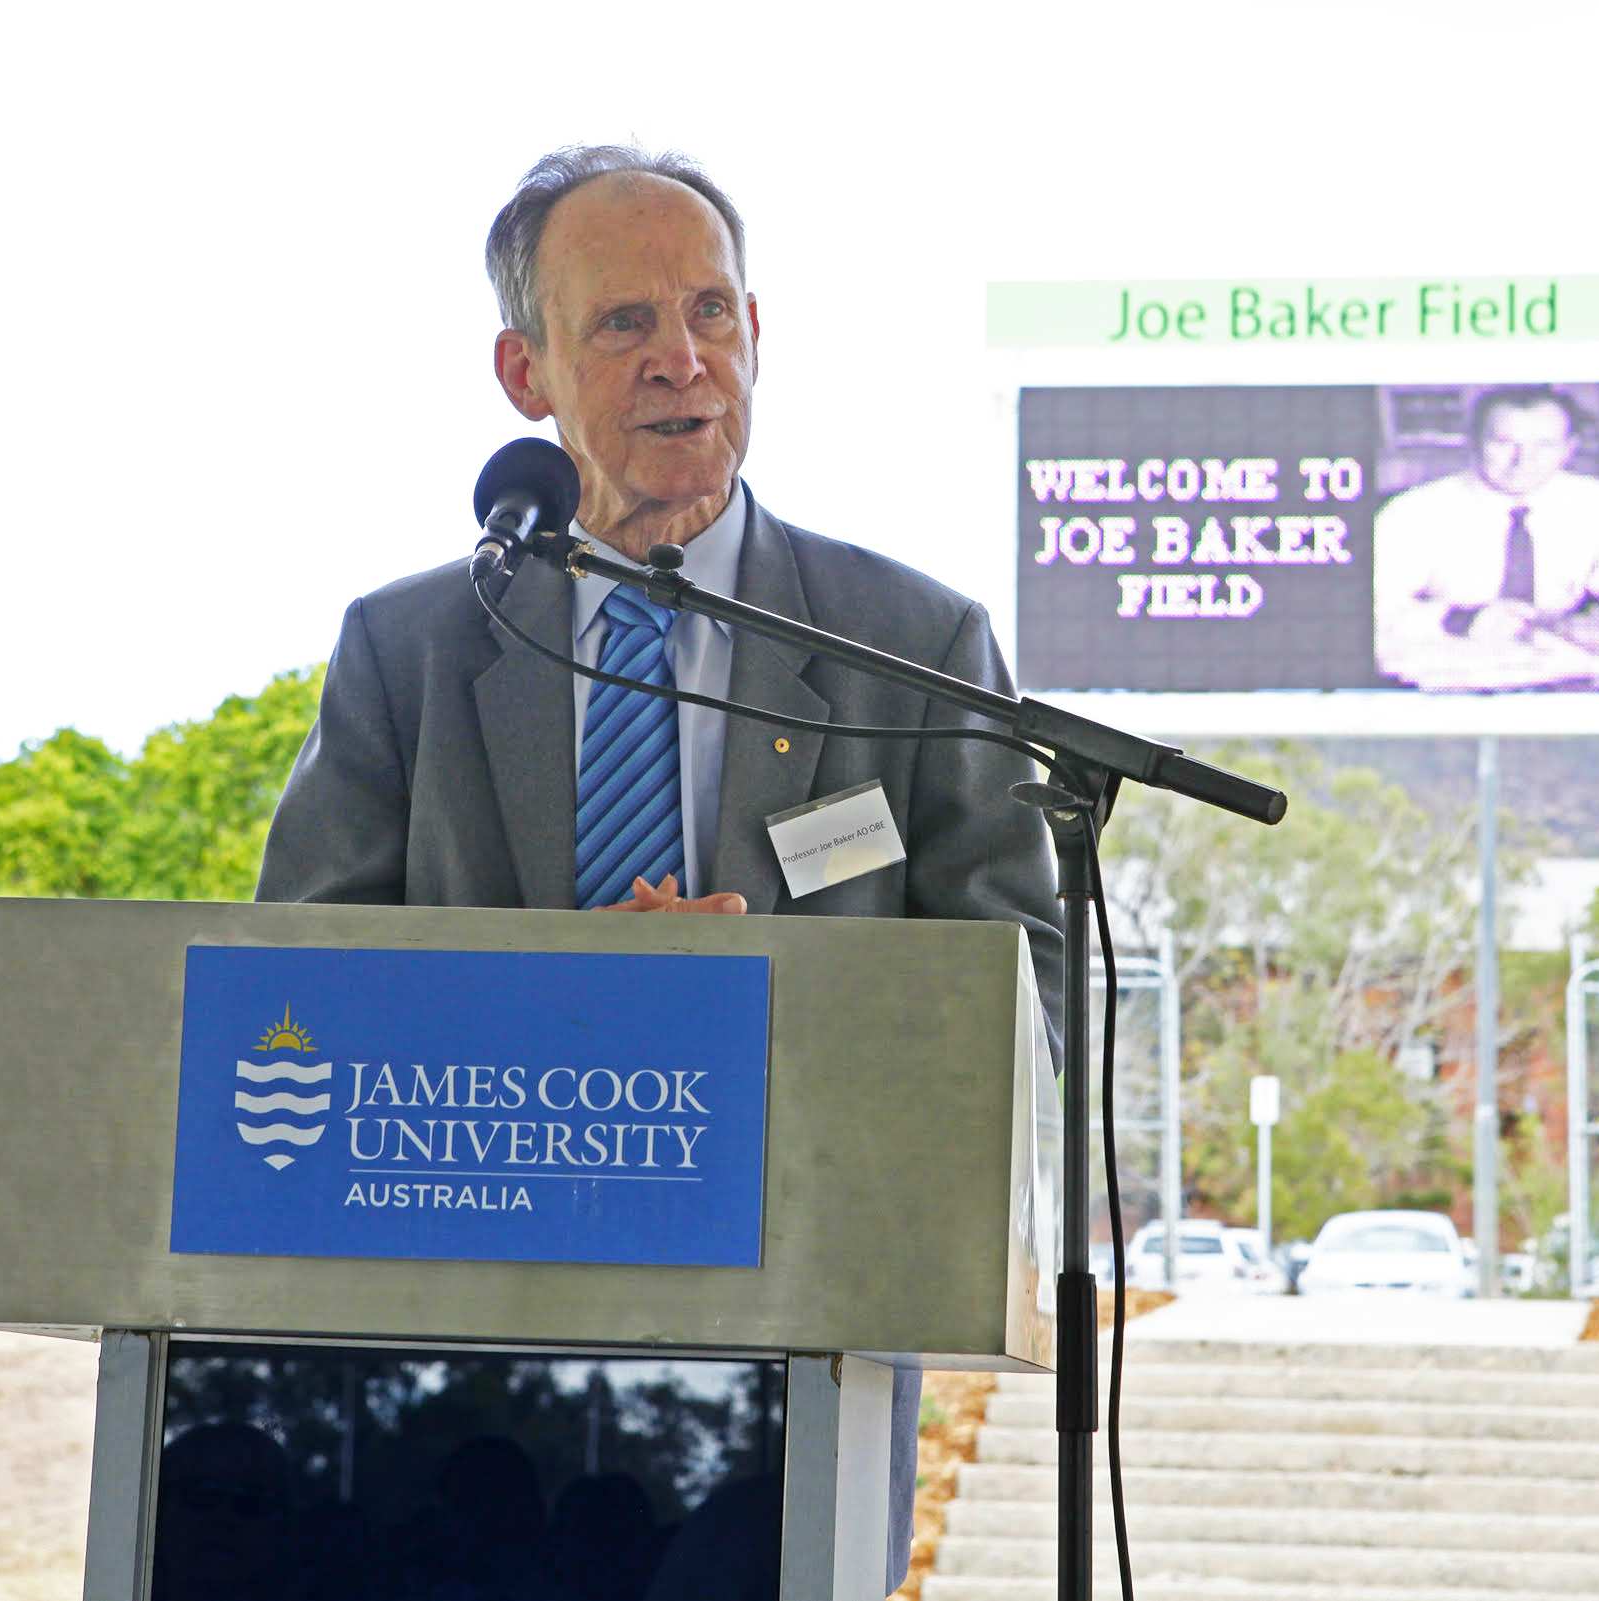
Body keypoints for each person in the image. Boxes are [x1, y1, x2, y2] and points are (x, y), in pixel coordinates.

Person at [256, 144, 1064, 1597]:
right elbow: (298, 980)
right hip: (463, 1374)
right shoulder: (407, 650)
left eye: (713, 312)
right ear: (526, 372)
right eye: (622, 323)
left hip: (800, 1351)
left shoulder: (914, 645)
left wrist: (761, 1002)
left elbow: (1027, 1001)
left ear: (761, 337)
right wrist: (574, 1006)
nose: (681, 358)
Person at [1372, 386, 1599, 692]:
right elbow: (1366, 613)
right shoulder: (1413, 512)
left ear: (1569, 447)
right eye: (1504, 443)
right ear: (1474, 441)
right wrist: (1460, 620)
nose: (1523, 461)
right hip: (1448, 683)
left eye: (1544, 446)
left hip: (1567, 681)